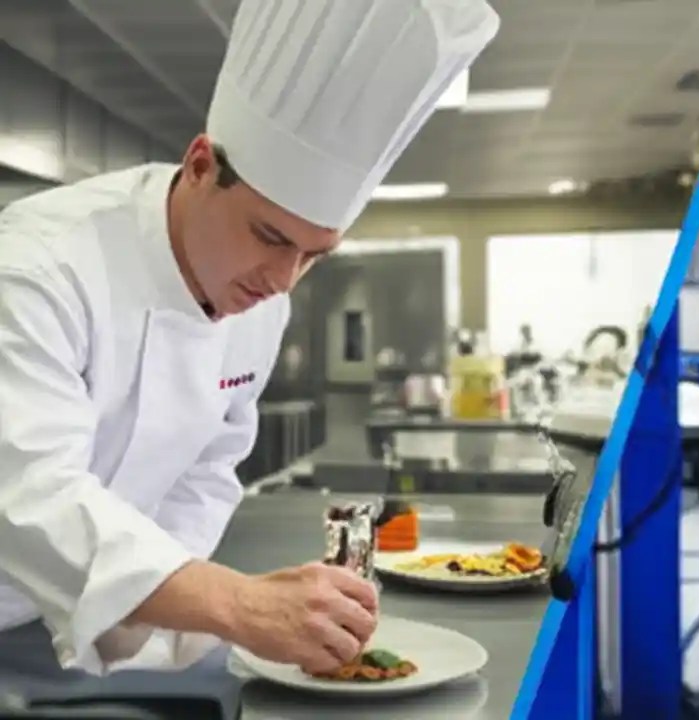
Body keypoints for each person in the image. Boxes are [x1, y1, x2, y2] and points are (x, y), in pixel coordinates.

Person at [0, 0, 499, 692]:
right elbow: (29, 496)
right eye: (269, 237)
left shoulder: (262, 301)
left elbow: (208, 467)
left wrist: (162, 630)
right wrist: (237, 603)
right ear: (201, 164)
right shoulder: (34, 269)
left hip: (87, 620)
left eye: (314, 255)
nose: (281, 280)